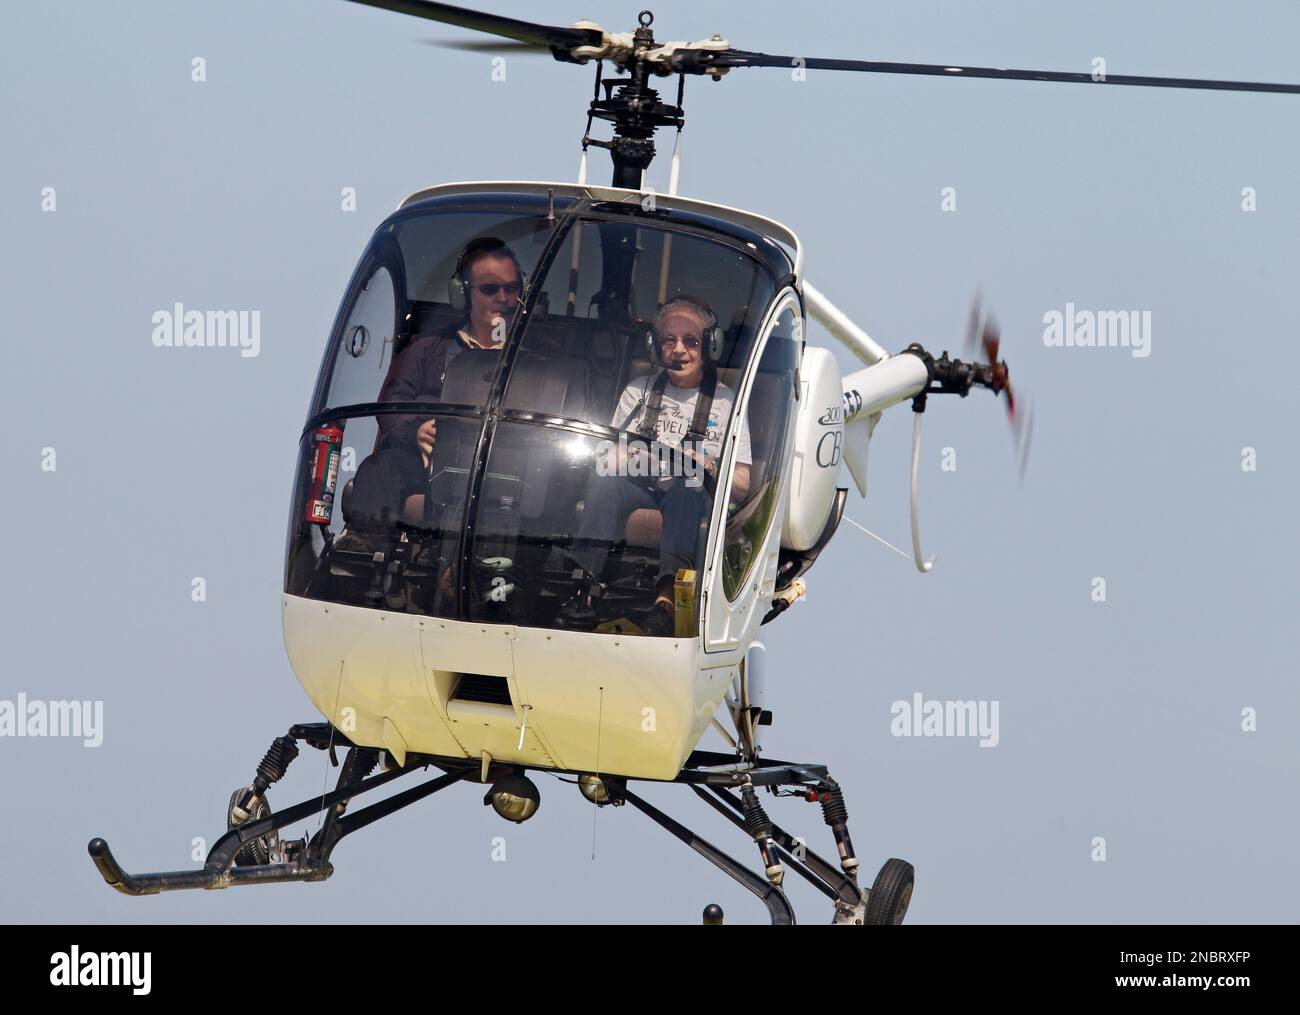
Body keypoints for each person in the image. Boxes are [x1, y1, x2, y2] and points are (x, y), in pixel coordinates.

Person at [564, 294, 752, 635]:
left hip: (690, 493)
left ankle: (665, 602)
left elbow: (742, 483)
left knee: (688, 484)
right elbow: (604, 458)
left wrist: (709, 464)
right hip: (642, 486)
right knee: (605, 481)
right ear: (655, 345)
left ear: (708, 346)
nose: (679, 350)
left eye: (691, 341)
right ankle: (582, 589)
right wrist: (633, 454)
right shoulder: (638, 393)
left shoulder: (727, 403)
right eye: (669, 340)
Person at [341, 236, 524, 538]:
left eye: (512, 288)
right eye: (491, 289)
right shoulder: (426, 350)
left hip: (514, 473)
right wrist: (416, 428)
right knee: (379, 469)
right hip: (428, 468)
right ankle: (366, 554)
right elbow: (391, 405)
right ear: (462, 295)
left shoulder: (538, 358)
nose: (503, 298)